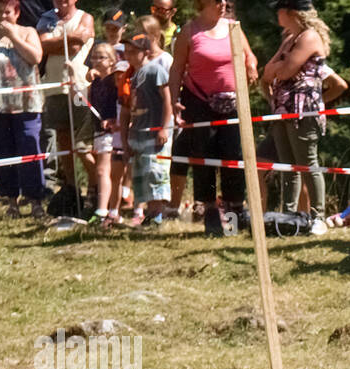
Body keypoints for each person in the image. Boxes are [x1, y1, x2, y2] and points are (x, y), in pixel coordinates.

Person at [168, 0, 257, 232]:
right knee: (203, 155)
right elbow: (177, 67)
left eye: (225, 0)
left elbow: (249, 56)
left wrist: (252, 66)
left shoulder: (233, 27)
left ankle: (236, 211)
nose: (223, 4)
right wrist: (173, 101)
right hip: (198, 102)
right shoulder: (189, 31)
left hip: (231, 102)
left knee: (234, 155)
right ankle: (209, 212)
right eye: (218, 0)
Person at [0, 0, 46, 219]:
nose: (3, 17)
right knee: (1, 154)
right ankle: (11, 201)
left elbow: (36, 58)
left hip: (26, 103)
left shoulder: (29, 32)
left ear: (17, 13)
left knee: (30, 151)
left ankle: (35, 201)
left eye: (8, 12)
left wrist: (13, 36)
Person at [262, 0, 331, 222]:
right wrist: (278, 68)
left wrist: (279, 68)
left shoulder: (309, 37)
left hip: (304, 110)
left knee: (307, 163)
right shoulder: (291, 39)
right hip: (283, 108)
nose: (276, 15)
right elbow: (268, 72)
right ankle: (289, 214)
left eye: (279, 10)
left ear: (291, 12)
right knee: (287, 165)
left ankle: (318, 216)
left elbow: (283, 72)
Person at [37, 0, 96, 214]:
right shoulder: (46, 19)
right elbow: (42, 45)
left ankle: (96, 187)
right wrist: (64, 40)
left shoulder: (85, 17)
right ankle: (72, 188)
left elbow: (78, 44)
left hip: (79, 87)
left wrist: (53, 42)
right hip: (53, 87)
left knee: (83, 144)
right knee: (63, 140)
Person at [120, 29, 171, 225]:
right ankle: (149, 214)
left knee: (154, 173)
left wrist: (164, 128)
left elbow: (167, 100)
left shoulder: (155, 70)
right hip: (139, 133)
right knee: (142, 175)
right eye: (126, 51)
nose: (129, 55)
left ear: (145, 52)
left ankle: (157, 215)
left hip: (155, 133)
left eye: (134, 51)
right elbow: (129, 109)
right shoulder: (134, 76)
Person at [86, 41, 121, 224]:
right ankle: (107, 207)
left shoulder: (115, 80)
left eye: (102, 57)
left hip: (112, 131)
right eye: (94, 57)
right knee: (104, 170)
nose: (97, 61)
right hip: (98, 130)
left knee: (103, 170)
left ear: (112, 60)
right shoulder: (96, 81)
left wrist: (116, 121)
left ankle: (102, 210)